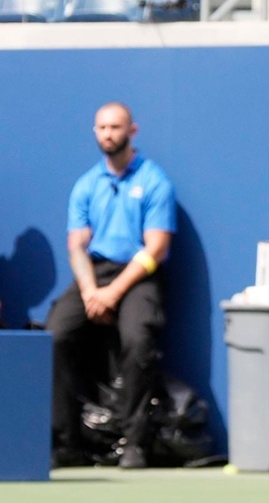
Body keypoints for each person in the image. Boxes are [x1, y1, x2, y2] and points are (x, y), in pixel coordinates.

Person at [47, 102, 176, 470]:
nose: (108, 134)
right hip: (94, 276)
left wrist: (114, 293)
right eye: (102, 128)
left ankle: (135, 444)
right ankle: (66, 443)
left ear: (132, 131)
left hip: (138, 276)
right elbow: (76, 245)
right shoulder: (87, 185)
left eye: (116, 127)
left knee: (138, 339)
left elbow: (157, 248)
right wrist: (91, 293)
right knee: (55, 336)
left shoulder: (154, 181)